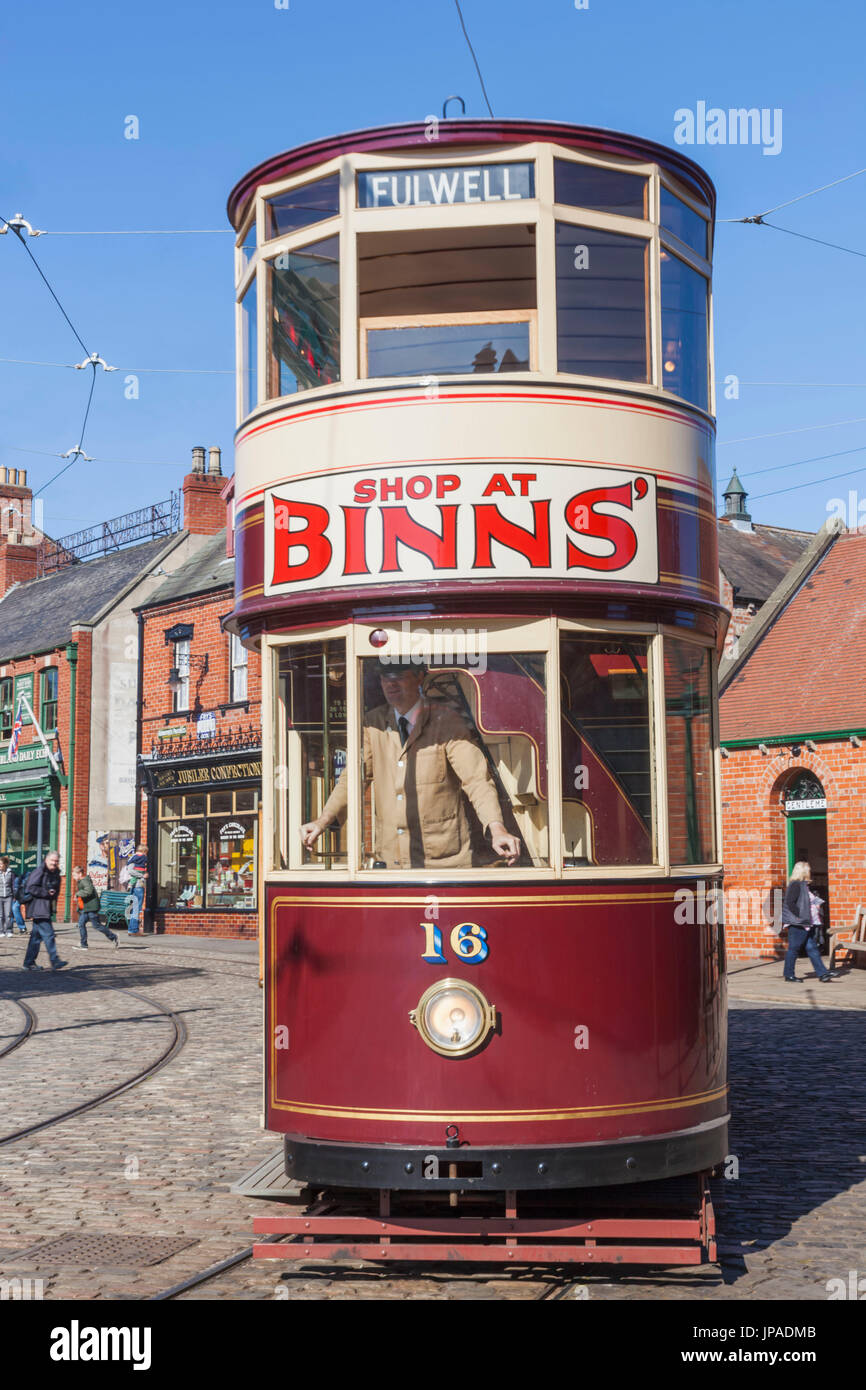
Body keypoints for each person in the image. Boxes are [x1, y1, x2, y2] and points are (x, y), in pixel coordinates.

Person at [301, 659, 521, 870]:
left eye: (398, 676)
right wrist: (322, 821)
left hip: (444, 862)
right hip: (392, 860)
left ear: (419, 677)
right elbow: (353, 779)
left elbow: (476, 780)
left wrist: (497, 828)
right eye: (384, 677)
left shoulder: (447, 721)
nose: (390, 683)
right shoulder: (372, 724)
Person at [782, 861, 834, 983]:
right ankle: (789, 975)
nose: (810, 872)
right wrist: (799, 916)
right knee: (793, 949)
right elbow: (790, 902)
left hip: (806, 923)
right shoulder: (795, 885)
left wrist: (818, 903)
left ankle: (823, 974)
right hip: (799, 924)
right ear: (804, 871)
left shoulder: (803, 886)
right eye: (809, 870)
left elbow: (810, 901)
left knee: (812, 949)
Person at [21, 849, 66, 971]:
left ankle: (28, 962)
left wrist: (53, 897)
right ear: (46, 860)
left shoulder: (55, 873)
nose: (54, 863)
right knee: (49, 934)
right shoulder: (39, 871)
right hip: (38, 908)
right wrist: (46, 892)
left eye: (56, 861)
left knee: (36, 938)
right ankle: (54, 960)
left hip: (46, 908)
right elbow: (31, 887)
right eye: (52, 860)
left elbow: (55, 891)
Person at [70, 865, 118, 950]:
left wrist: (78, 894)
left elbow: (89, 890)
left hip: (91, 907)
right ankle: (83, 944)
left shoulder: (84, 881)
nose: (73, 878)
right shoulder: (82, 881)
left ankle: (113, 937)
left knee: (96, 925)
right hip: (86, 907)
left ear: (80, 874)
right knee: (81, 924)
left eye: (74, 875)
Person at [126, 844, 147, 935]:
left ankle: (132, 929)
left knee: (135, 908)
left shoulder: (134, 858)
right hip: (138, 886)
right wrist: (142, 875)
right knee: (136, 908)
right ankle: (134, 930)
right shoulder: (136, 859)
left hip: (136, 885)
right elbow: (130, 871)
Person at [0, 856, 14, 937]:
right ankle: (1, 931)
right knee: (0, 915)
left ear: (5, 864)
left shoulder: (11, 873)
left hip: (9, 896)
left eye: (1, 864)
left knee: (8, 915)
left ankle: (8, 930)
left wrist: (14, 895)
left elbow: (13, 885)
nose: (0, 865)